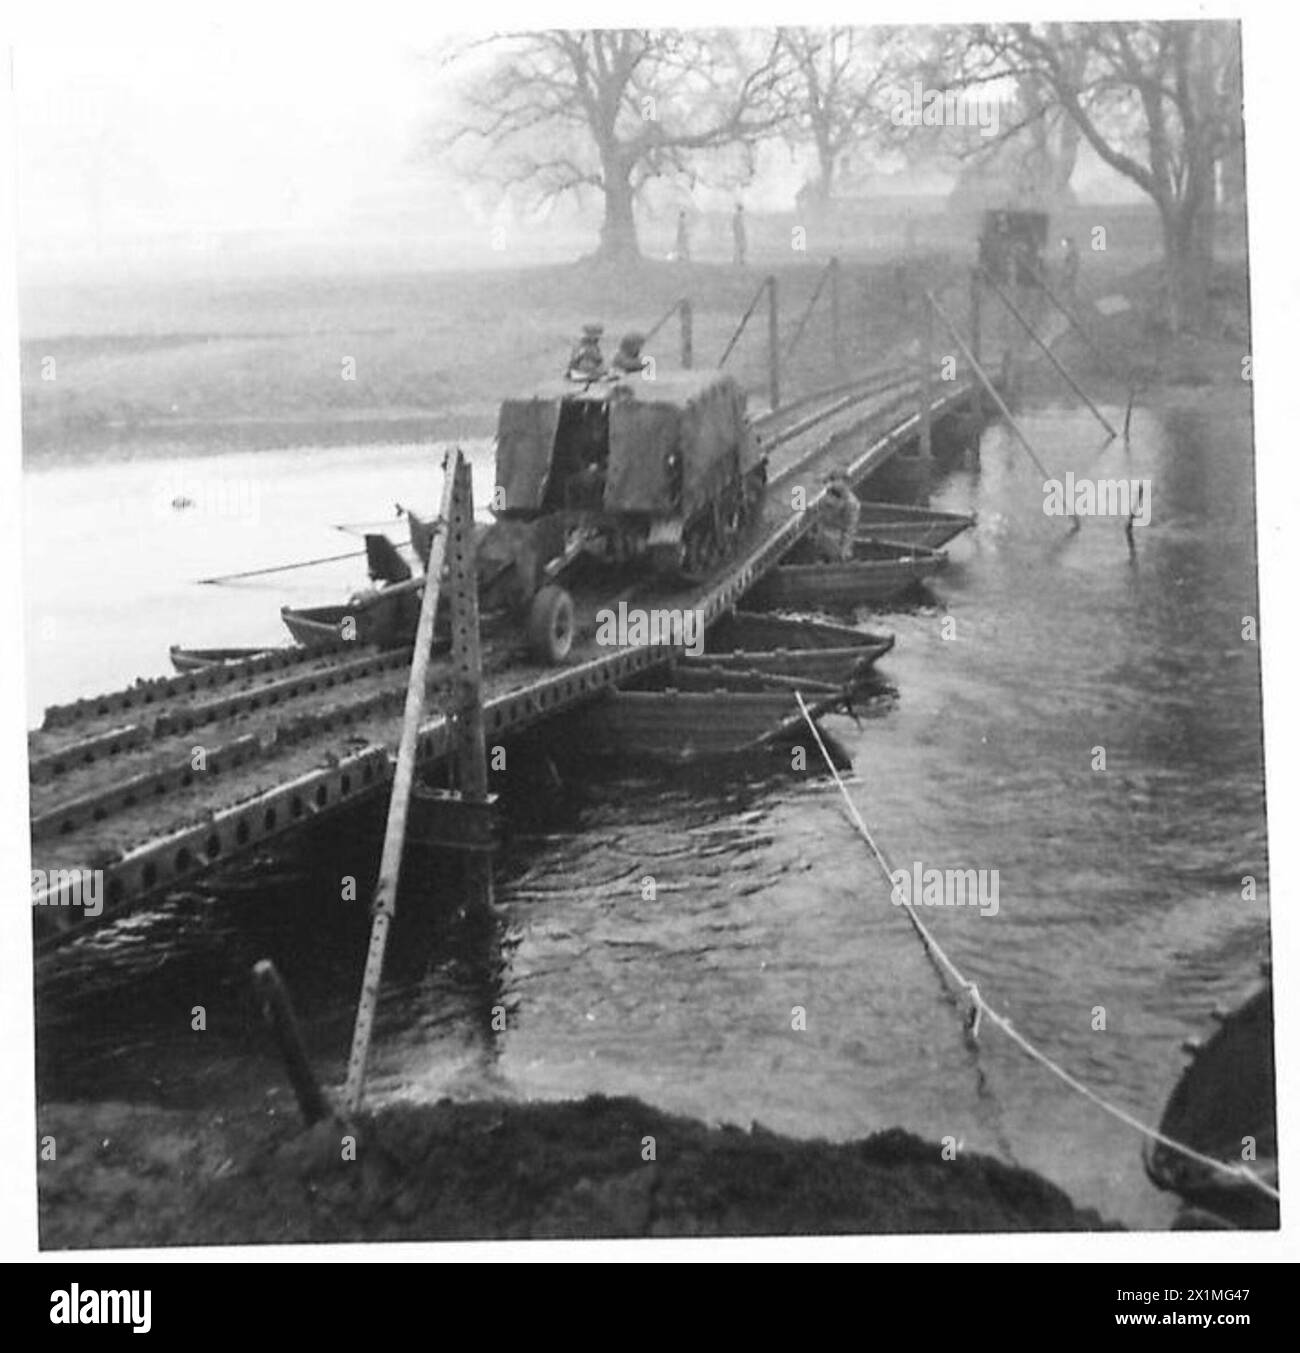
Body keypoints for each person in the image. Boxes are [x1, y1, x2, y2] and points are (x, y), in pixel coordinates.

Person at [811, 469, 861, 561]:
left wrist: (844, 550)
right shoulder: (828, 495)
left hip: (836, 542)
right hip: (822, 539)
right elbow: (818, 513)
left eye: (834, 480)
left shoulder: (851, 503)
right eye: (832, 480)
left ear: (845, 483)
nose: (831, 484)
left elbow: (850, 529)